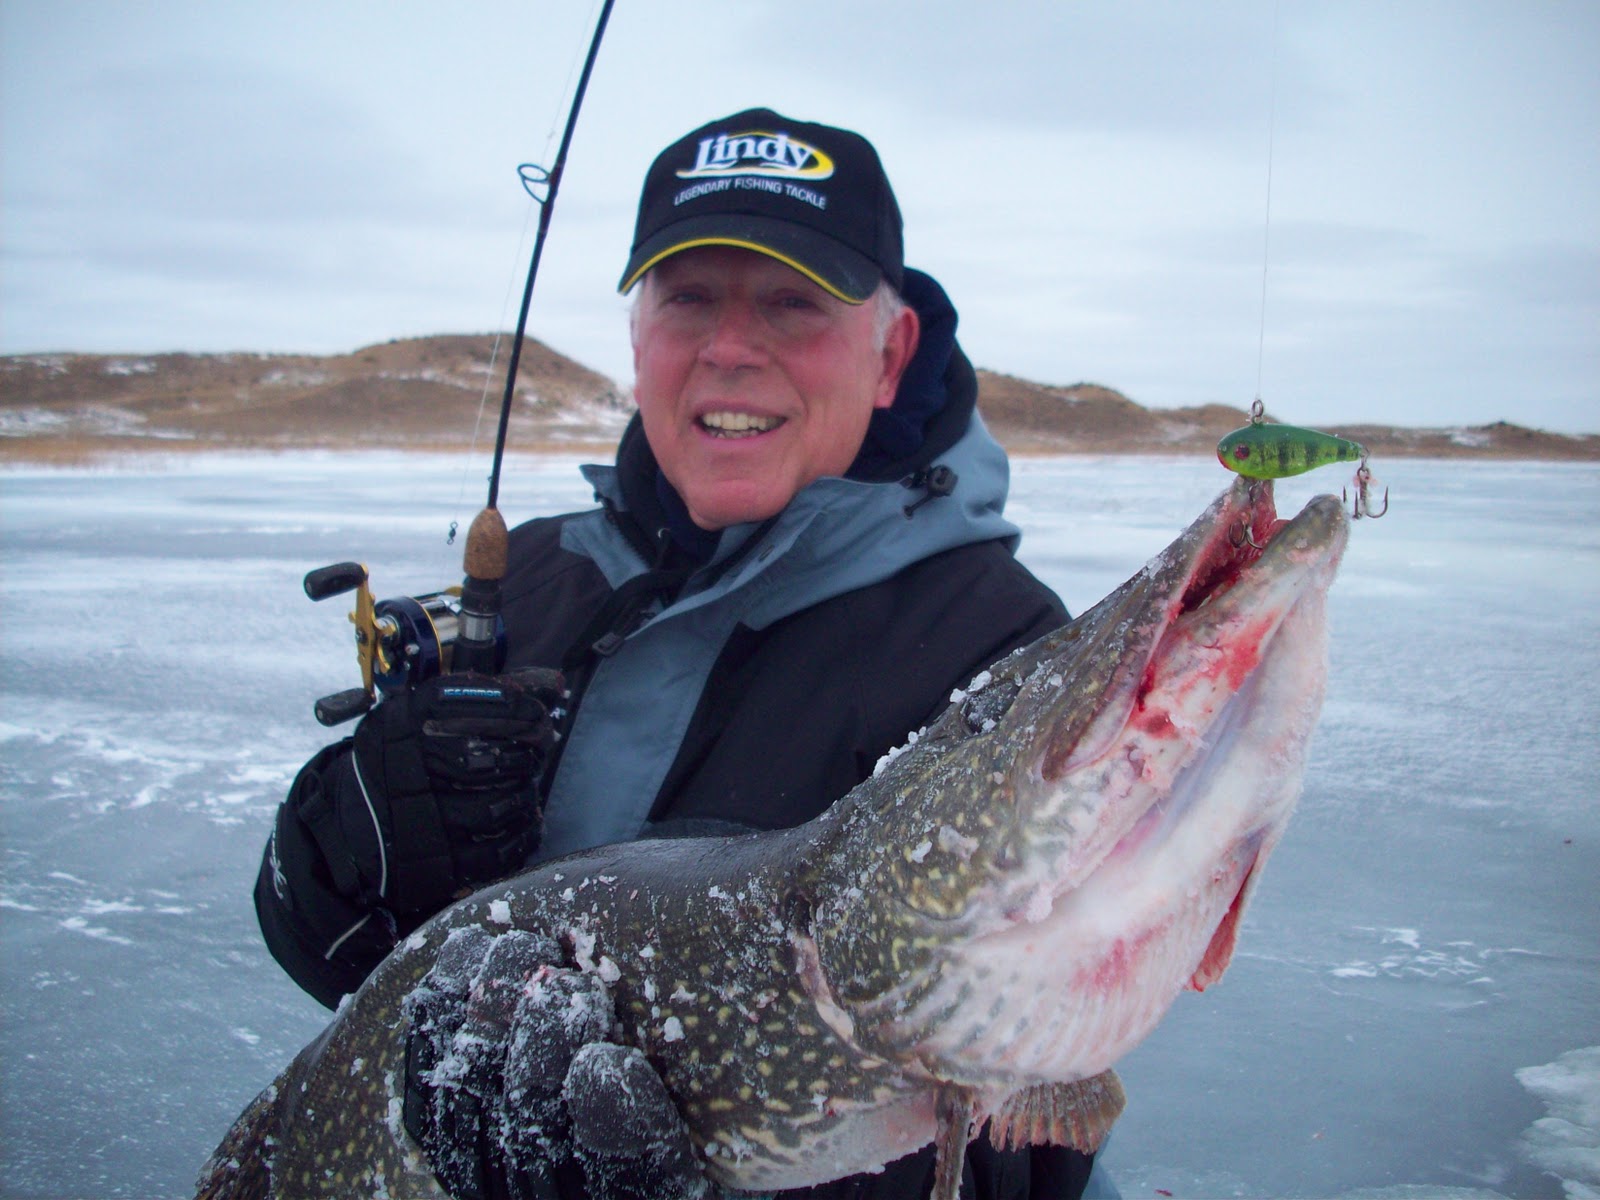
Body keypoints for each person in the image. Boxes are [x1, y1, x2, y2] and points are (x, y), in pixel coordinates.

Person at [255, 108, 1099, 1199]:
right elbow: (336, 966)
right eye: (687, 297)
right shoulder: (537, 578)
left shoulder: (999, 652)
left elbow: (1015, 1146)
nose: (731, 347)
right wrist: (346, 837)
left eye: (794, 303)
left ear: (891, 355)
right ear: (638, 335)